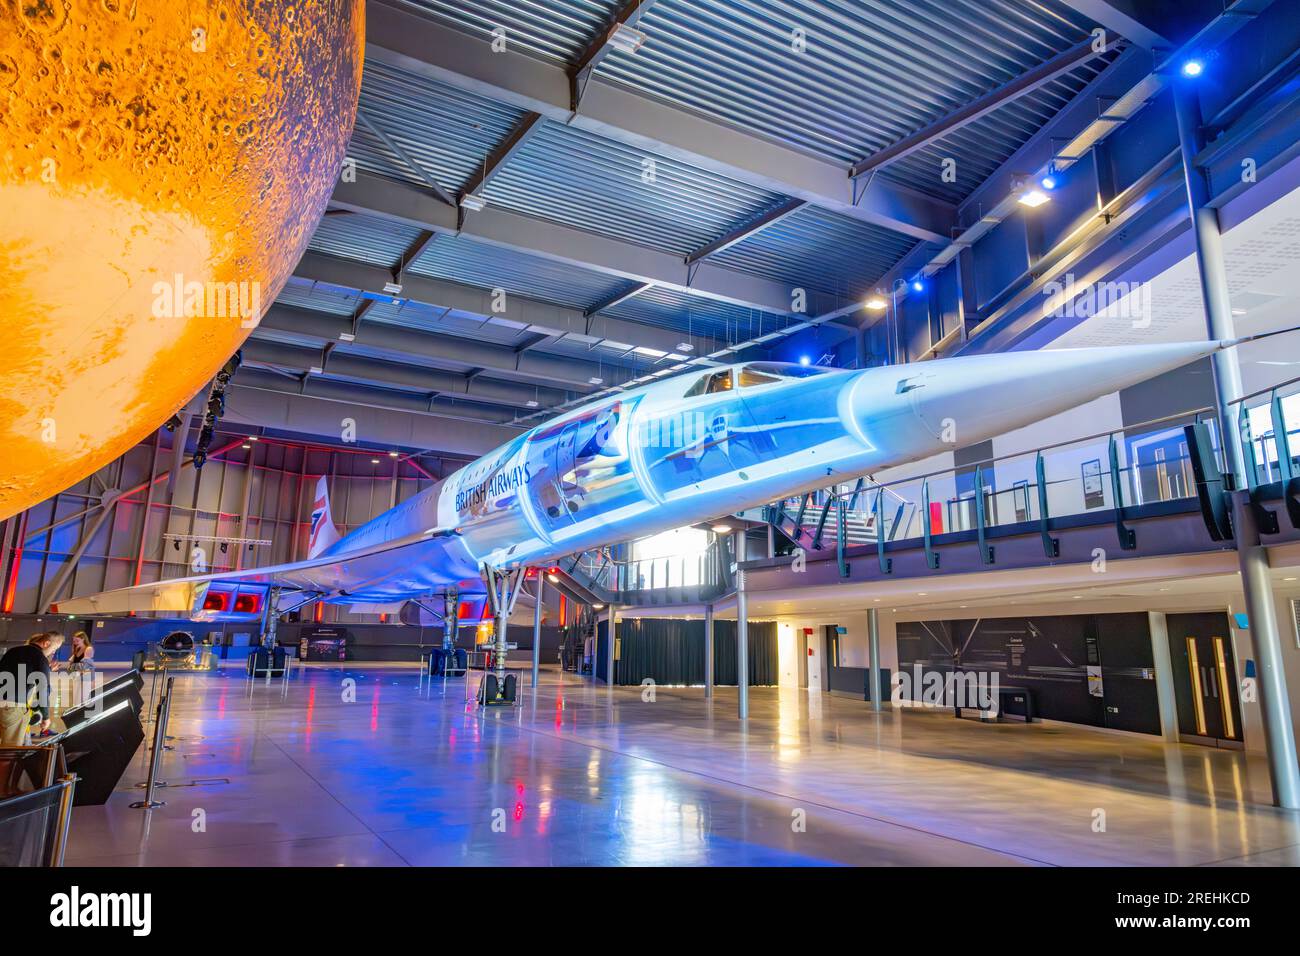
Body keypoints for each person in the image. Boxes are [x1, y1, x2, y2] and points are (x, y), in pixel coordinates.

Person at [0, 632, 64, 746]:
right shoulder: (40, 657)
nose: (53, 652)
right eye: (54, 648)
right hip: (13, 707)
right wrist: (46, 717)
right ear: (46, 643)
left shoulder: (13, 651)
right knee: (10, 750)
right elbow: (43, 690)